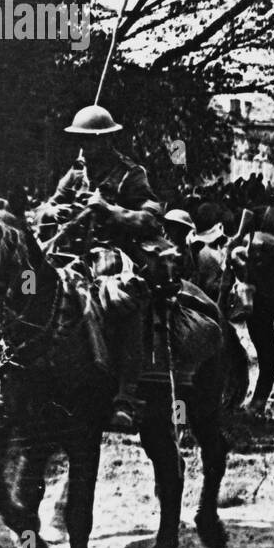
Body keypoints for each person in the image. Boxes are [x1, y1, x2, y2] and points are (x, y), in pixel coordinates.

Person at [48, 103, 180, 430]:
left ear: (106, 141)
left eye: (90, 140)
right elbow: (51, 204)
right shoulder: (76, 173)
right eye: (80, 140)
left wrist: (110, 210)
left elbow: (151, 217)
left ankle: (125, 396)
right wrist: (53, 213)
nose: (84, 147)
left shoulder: (131, 174)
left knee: (121, 299)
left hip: (113, 253)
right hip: (69, 252)